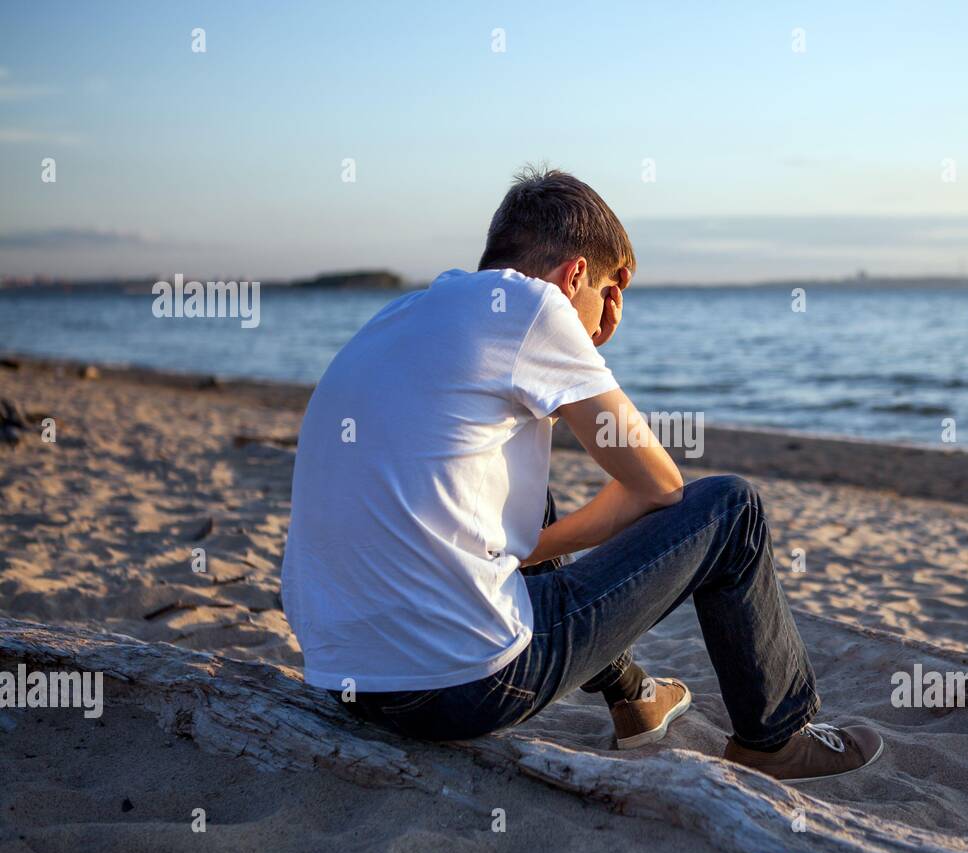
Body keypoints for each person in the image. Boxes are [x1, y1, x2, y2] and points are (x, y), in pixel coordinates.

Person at [280, 165, 884, 783]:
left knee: (514, 482)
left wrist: (537, 538)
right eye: (608, 290)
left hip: (344, 681)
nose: (607, 313)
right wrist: (584, 347)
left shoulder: (403, 315)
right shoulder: (536, 305)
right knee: (732, 509)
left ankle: (633, 694)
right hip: (460, 689)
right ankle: (776, 740)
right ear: (574, 275)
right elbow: (659, 485)